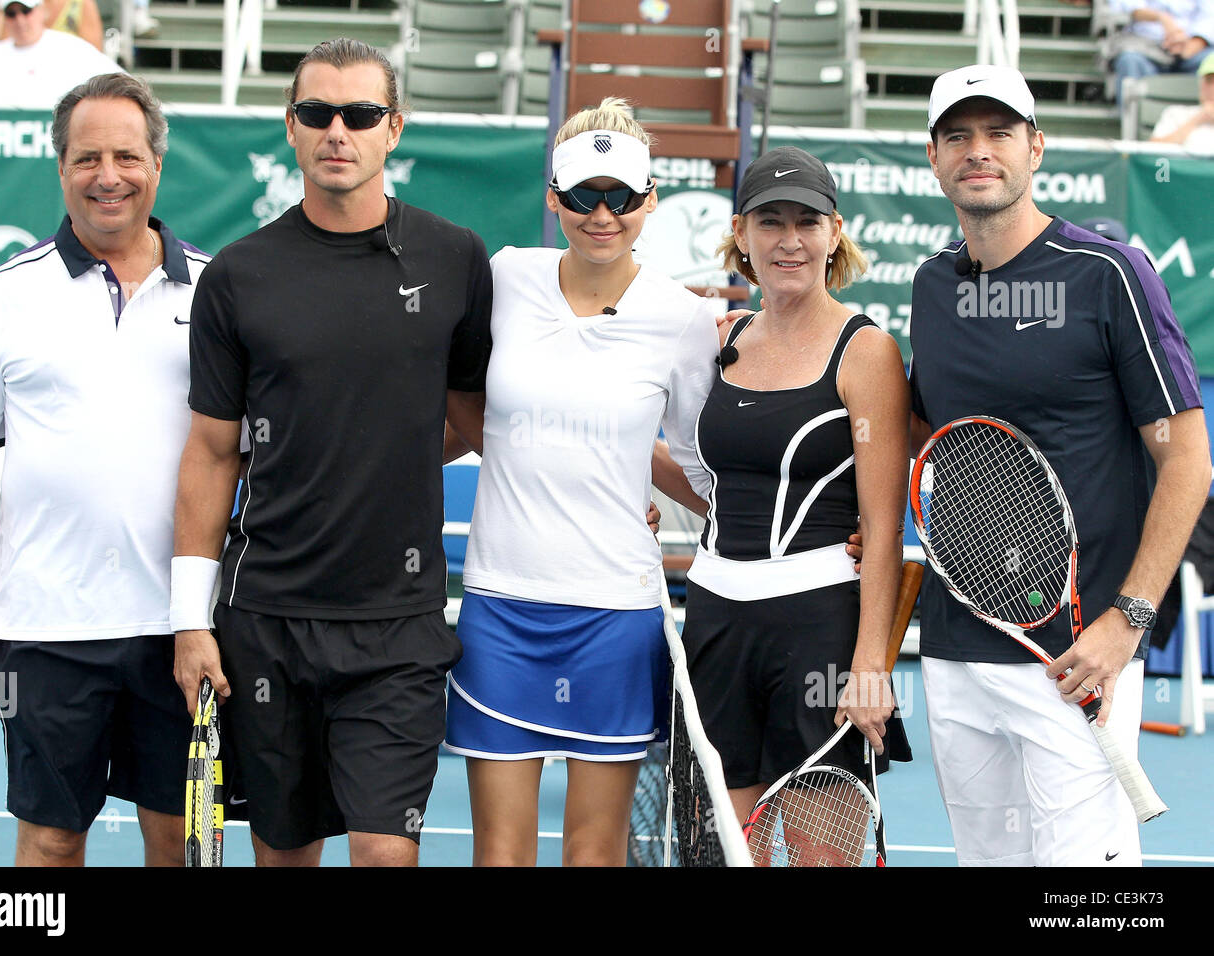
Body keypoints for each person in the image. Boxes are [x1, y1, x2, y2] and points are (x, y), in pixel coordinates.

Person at [171, 37, 492, 868]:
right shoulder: (238, 276)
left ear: (394, 128)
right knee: (287, 854)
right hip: (266, 620)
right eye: (318, 113)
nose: (337, 131)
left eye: (360, 114)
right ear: (291, 127)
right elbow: (211, 454)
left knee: (387, 853)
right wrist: (188, 621)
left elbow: (476, 417)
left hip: (400, 626)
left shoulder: (455, 257)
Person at [911, 63, 1210, 866]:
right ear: (934, 158)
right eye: (959, 137)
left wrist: (1130, 621)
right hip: (954, 648)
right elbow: (920, 431)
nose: (980, 152)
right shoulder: (933, 286)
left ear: (1034, 148)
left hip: (1078, 657)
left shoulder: (1109, 274)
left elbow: (1187, 459)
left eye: (999, 133)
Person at [0, 72, 211, 867]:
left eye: (127, 155)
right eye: (87, 158)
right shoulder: (3, 295)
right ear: (61, 168)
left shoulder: (221, 291)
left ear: (158, 164)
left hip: (180, 628)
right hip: (44, 632)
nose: (108, 175)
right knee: (50, 842)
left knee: (180, 840)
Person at [440, 98, 720, 867]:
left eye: (623, 197)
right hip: (501, 605)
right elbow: (465, 414)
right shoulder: (503, 278)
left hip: (616, 617)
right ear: (553, 197)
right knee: (499, 856)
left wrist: (799, 531)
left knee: (594, 855)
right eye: (585, 195)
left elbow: (699, 467)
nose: (604, 214)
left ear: (651, 199)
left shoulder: (683, 320)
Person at [661, 147, 911, 857]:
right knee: (716, 854)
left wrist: (871, 665)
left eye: (808, 221)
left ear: (836, 234)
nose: (789, 240)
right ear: (741, 234)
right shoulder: (721, 339)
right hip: (712, 622)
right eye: (771, 222)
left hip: (821, 632)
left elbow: (884, 527)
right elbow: (716, 491)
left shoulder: (867, 352)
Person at [0, 0, 120, 107]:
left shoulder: (73, 48)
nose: (20, 20)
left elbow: (117, 80)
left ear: (41, 11)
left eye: (26, 11)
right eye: (11, 14)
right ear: (4, 18)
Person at [1104, 0, 1214, 110]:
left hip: (1193, 47)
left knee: (1210, 63)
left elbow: (1209, 14)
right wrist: (1161, 17)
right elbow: (1129, 6)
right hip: (1145, 47)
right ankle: (1133, 124)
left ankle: (1205, 120)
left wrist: (1193, 44)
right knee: (1129, 60)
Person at [1149, 53, 1214, 150]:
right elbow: (1151, 151)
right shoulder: (1176, 113)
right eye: (1208, 80)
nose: (1211, 88)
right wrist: (1197, 120)